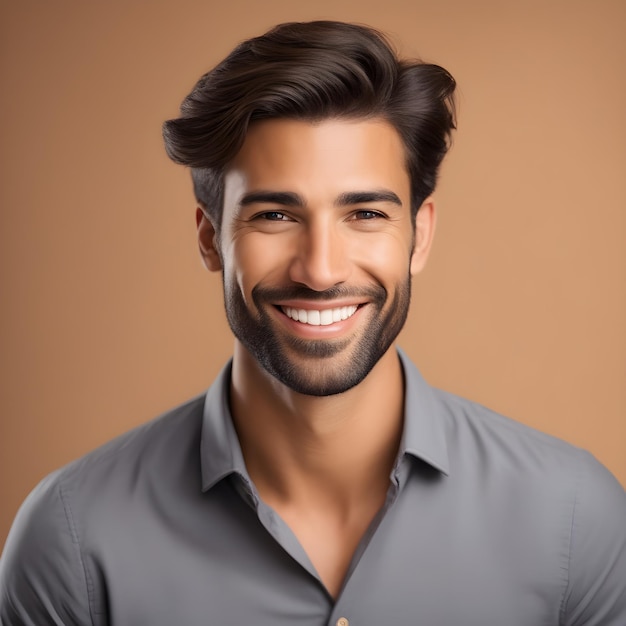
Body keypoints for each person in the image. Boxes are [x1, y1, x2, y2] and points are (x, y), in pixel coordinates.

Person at [1, 20, 625, 626]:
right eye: (274, 215)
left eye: (366, 214)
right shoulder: (72, 542)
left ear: (420, 233)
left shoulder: (576, 523)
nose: (320, 270)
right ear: (211, 238)